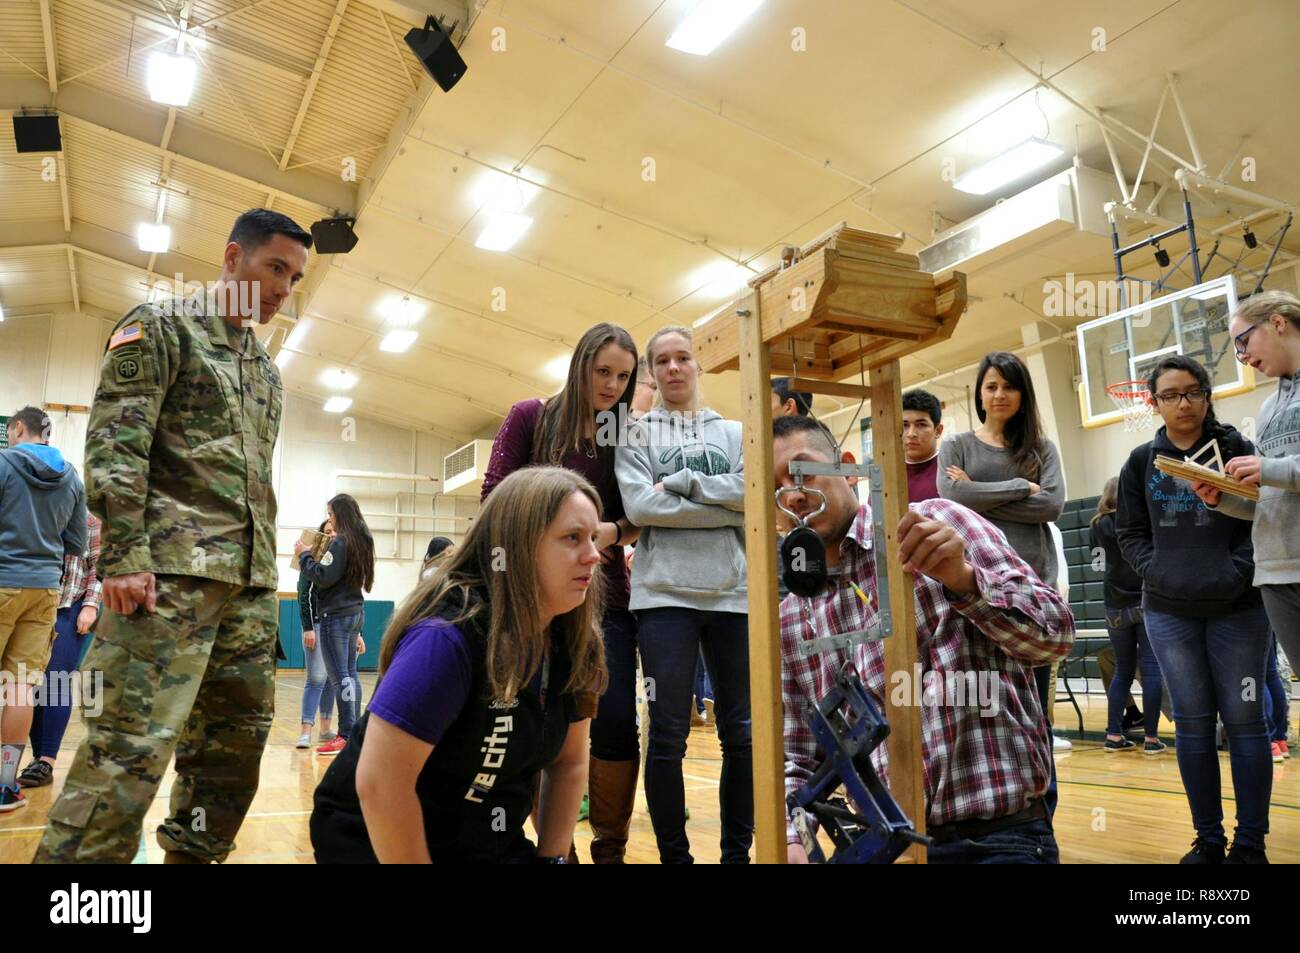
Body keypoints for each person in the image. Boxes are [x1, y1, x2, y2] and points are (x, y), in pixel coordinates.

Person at [35, 208, 310, 863]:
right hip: (163, 586)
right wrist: (124, 557)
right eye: (275, 267)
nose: (283, 288)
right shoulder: (159, 328)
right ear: (231, 256)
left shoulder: (266, 373)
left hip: (247, 594)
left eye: (295, 277)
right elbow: (114, 444)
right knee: (124, 757)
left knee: (230, 758)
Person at [772, 415, 1074, 864]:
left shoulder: (939, 522)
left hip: (997, 839)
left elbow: (1056, 635)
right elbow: (798, 755)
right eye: (775, 486)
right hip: (887, 849)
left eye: (803, 471)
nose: (794, 493)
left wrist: (966, 580)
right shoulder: (792, 617)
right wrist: (794, 836)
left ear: (850, 469)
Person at [309, 466, 605, 863]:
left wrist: (552, 859)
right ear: (518, 545)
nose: (593, 555)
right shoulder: (446, 637)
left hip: (480, 839)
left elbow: (568, 763)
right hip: (376, 839)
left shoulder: (575, 642)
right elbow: (382, 785)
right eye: (573, 538)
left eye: (594, 538)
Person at [481, 322, 640, 863]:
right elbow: (494, 499)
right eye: (603, 372)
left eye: (623, 375)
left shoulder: (627, 431)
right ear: (580, 366)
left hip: (608, 594)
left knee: (614, 721)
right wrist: (551, 539)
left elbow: (638, 516)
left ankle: (610, 850)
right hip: (533, 599)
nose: (613, 385)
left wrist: (609, 533)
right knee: (540, 725)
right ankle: (558, 851)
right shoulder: (531, 415)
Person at [1117, 354, 1271, 864]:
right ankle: (1208, 840)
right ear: (1154, 402)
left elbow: (1262, 520)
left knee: (1247, 722)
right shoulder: (1141, 461)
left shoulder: (1239, 450)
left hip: (1239, 609)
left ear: (1207, 394)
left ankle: (1250, 844)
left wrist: (1236, 570)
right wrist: (1157, 571)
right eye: (1170, 395)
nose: (1183, 403)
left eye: (1192, 392)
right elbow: (1130, 533)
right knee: (1192, 723)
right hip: (1168, 610)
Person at [616, 325, 752, 864]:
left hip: (733, 596)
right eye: (663, 361)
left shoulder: (738, 434)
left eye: (684, 358)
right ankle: (675, 857)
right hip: (662, 600)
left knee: (740, 734)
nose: (674, 368)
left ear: (699, 366)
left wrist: (680, 484)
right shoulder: (635, 435)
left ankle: (736, 855)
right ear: (653, 372)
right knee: (667, 736)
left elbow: (753, 493)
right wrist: (721, 504)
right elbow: (639, 509)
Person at [936, 351, 1065, 808]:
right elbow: (951, 495)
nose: (999, 394)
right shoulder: (955, 446)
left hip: (1032, 589)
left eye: (1008, 386)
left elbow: (1052, 507)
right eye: (991, 386)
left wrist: (978, 493)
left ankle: (1040, 811)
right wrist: (1021, 487)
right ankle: (989, 813)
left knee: (1035, 711)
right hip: (974, 588)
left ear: (1022, 393)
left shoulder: (1043, 449)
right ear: (979, 393)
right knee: (982, 704)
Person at [1192, 290, 1300, 728]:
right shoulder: (1269, 405)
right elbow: (1271, 496)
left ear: (1277, 323)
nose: (1242, 356)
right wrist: (1225, 500)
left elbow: (1276, 472)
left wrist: (1268, 466)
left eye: (1243, 341)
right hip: (1275, 568)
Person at [0, 407, 88, 812]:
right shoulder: (71, 475)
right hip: (45, 592)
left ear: (18, 428)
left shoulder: (3, 462)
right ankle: (4, 787)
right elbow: (77, 544)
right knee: (20, 687)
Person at [18, 512, 101, 789]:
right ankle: (37, 758)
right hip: (32, 606)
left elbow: (98, 568)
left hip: (70, 606)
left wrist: (90, 606)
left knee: (56, 680)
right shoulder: (30, 518)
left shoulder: (89, 521)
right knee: (29, 684)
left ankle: (47, 759)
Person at [295, 495, 375, 756]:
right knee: (349, 674)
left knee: (340, 677)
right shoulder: (362, 541)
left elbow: (323, 576)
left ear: (340, 514)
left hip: (336, 617)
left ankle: (345, 733)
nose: (329, 518)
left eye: (330, 514)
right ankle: (352, 731)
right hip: (355, 613)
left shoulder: (340, 543)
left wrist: (305, 555)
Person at [1089, 477, 1164, 753]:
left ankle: (1113, 735)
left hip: (1114, 603)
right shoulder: (1139, 521)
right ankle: (1153, 739)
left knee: (1122, 669)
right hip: (1145, 599)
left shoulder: (1096, 525)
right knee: (1152, 669)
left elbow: (1097, 565)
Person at [296, 520, 335, 750]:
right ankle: (305, 731)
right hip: (318, 625)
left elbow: (352, 598)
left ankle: (325, 729)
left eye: (335, 531)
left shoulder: (342, 558)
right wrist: (309, 627)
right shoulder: (312, 559)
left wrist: (358, 633)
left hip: (337, 626)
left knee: (331, 678)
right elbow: (303, 594)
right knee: (317, 678)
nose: (332, 535)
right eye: (328, 531)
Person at [902, 389, 944, 502]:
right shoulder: (887, 477)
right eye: (904, 425)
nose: (911, 434)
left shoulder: (950, 472)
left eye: (921, 425)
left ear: (938, 431)